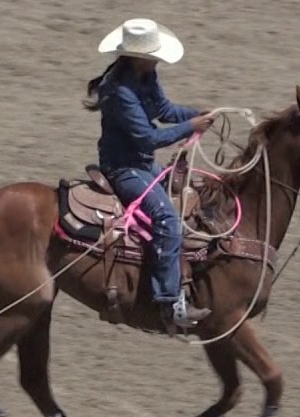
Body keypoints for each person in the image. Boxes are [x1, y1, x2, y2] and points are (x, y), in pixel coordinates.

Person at [84, 18, 218, 331]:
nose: (157, 58)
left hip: (141, 163)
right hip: (124, 167)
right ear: (138, 56)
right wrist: (191, 127)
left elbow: (164, 110)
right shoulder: (118, 91)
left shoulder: (145, 74)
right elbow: (148, 138)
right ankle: (169, 302)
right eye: (152, 54)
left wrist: (194, 113)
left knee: (188, 193)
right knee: (167, 220)